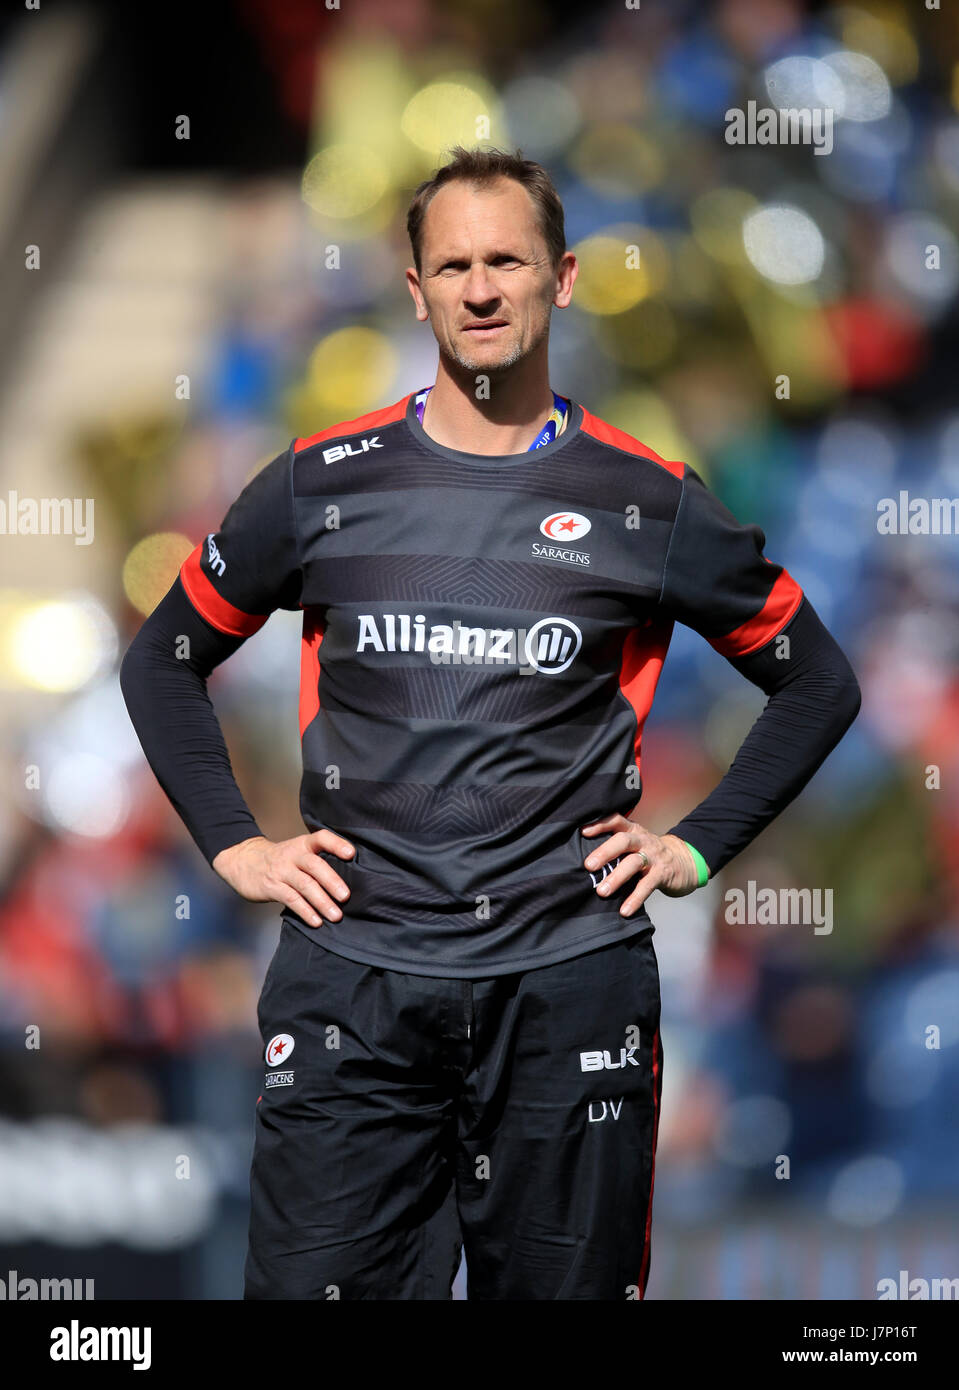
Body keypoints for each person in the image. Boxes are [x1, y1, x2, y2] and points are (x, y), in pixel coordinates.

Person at [120, 145, 861, 1300]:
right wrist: (234, 843)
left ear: (560, 277)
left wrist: (697, 844)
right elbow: (164, 660)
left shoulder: (647, 499)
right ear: (414, 290)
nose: (479, 288)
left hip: (567, 988)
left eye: (505, 260)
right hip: (353, 989)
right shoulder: (319, 483)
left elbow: (816, 680)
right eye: (452, 265)